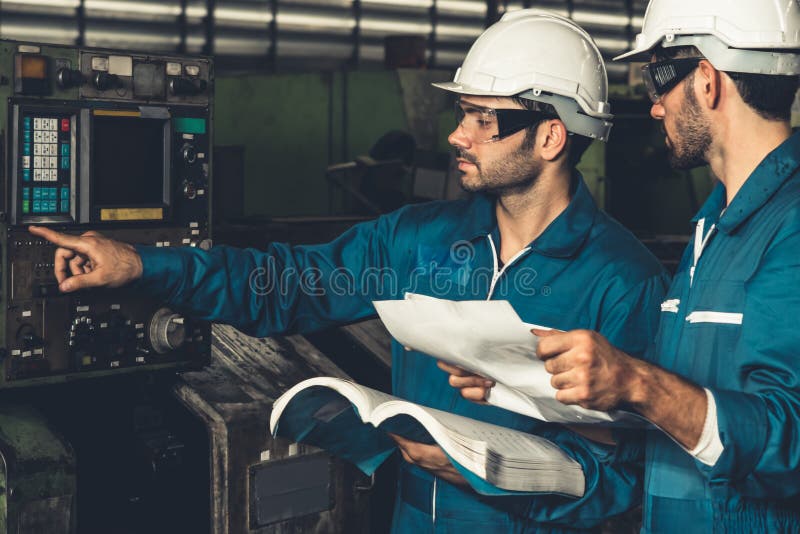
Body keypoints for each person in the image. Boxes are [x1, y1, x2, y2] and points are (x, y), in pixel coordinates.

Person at [29, 11, 668, 533]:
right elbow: (281, 285)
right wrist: (142, 264)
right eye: (463, 113)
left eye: (483, 118)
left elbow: (630, 476)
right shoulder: (415, 242)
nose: (458, 134)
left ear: (551, 137)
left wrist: (485, 474)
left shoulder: (623, 283)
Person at [449, 1, 800, 531]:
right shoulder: (714, 229)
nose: (655, 107)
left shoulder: (791, 225)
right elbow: (680, 414)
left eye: (661, 82)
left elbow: (790, 438)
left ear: (706, 81)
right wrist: (518, 380)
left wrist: (636, 380)